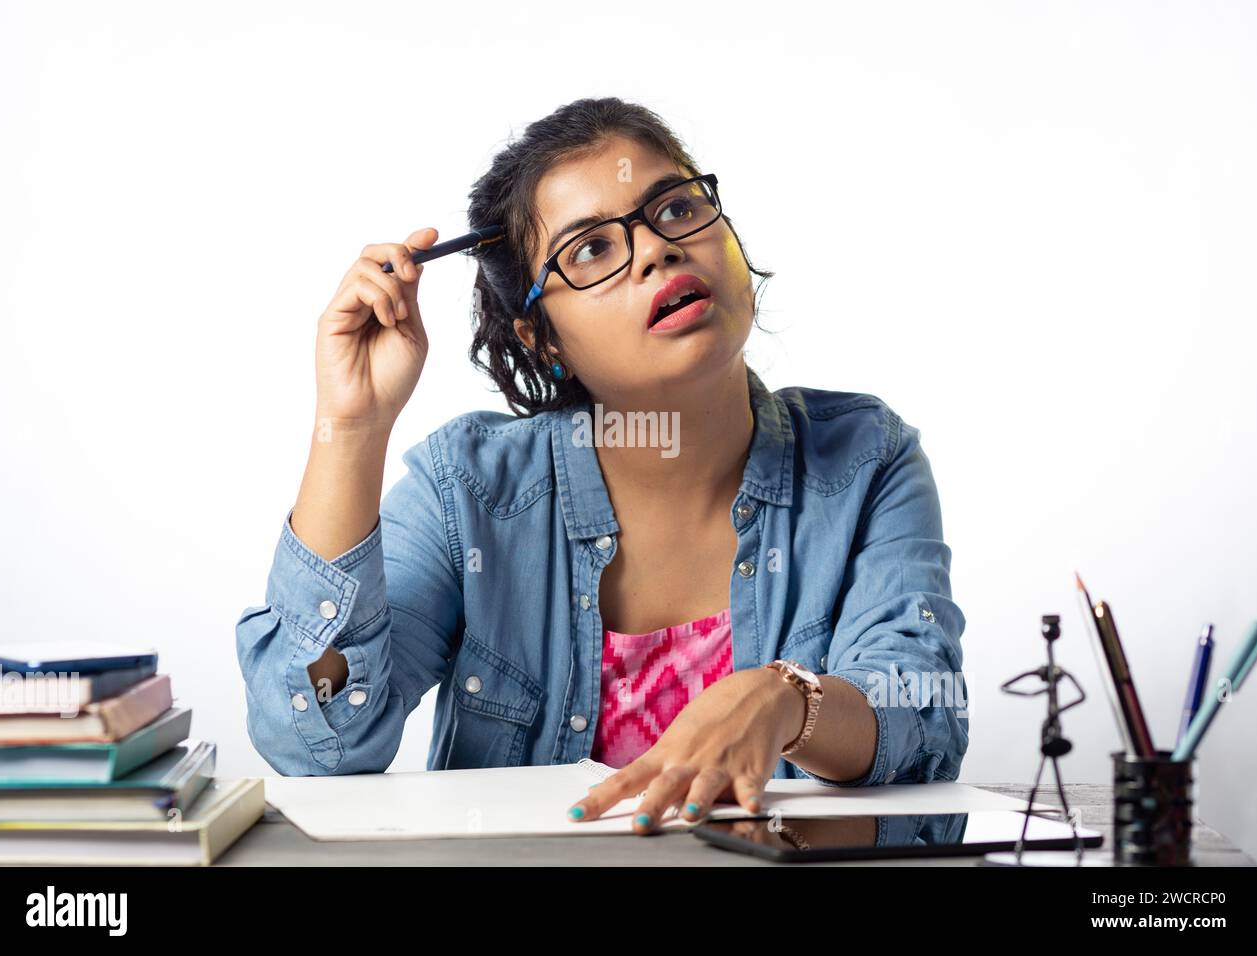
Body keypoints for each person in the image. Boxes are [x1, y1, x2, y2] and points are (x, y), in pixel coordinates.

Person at [235, 96, 969, 835]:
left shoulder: (867, 459)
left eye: (677, 208)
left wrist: (788, 700)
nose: (656, 249)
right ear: (541, 338)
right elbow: (316, 748)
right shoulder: (467, 490)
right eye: (590, 249)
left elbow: (921, 719)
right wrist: (353, 426)